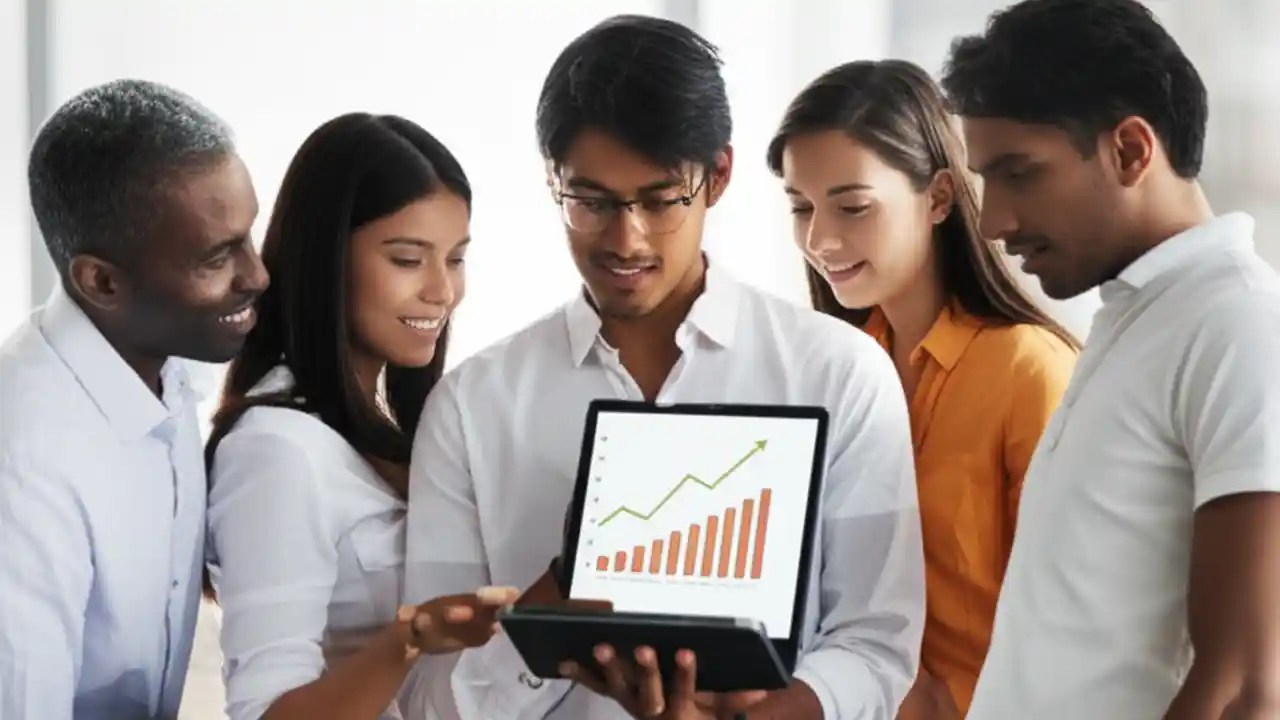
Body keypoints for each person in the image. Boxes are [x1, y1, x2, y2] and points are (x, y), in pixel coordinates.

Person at [400, 14, 925, 720]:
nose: (626, 238)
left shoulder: (840, 374)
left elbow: (877, 645)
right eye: (591, 202)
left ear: (718, 176)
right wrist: (557, 601)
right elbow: (431, 698)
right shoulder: (472, 406)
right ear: (551, 179)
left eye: (658, 199)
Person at [939, 1, 1280, 717]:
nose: (995, 221)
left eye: (1020, 174)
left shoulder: (1239, 324)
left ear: (1130, 149)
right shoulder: (1135, 320)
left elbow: (1246, 689)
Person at [767, 59, 1078, 717]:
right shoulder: (828, 375)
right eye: (801, 208)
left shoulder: (1028, 371)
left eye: (852, 207)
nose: (820, 239)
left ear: (938, 196)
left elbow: (1079, 623)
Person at [204, 113, 519, 720]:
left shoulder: (390, 428)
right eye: (407, 259)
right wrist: (407, 638)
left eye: (455, 259)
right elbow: (264, 712)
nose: (442, 291)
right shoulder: (276, 451)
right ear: (327, 261)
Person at [0, 79, 269, 719]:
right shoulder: (25, 460)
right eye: (217, 257)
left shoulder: (167, 364)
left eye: (248, 235)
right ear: (101, 282)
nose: (256, 275)